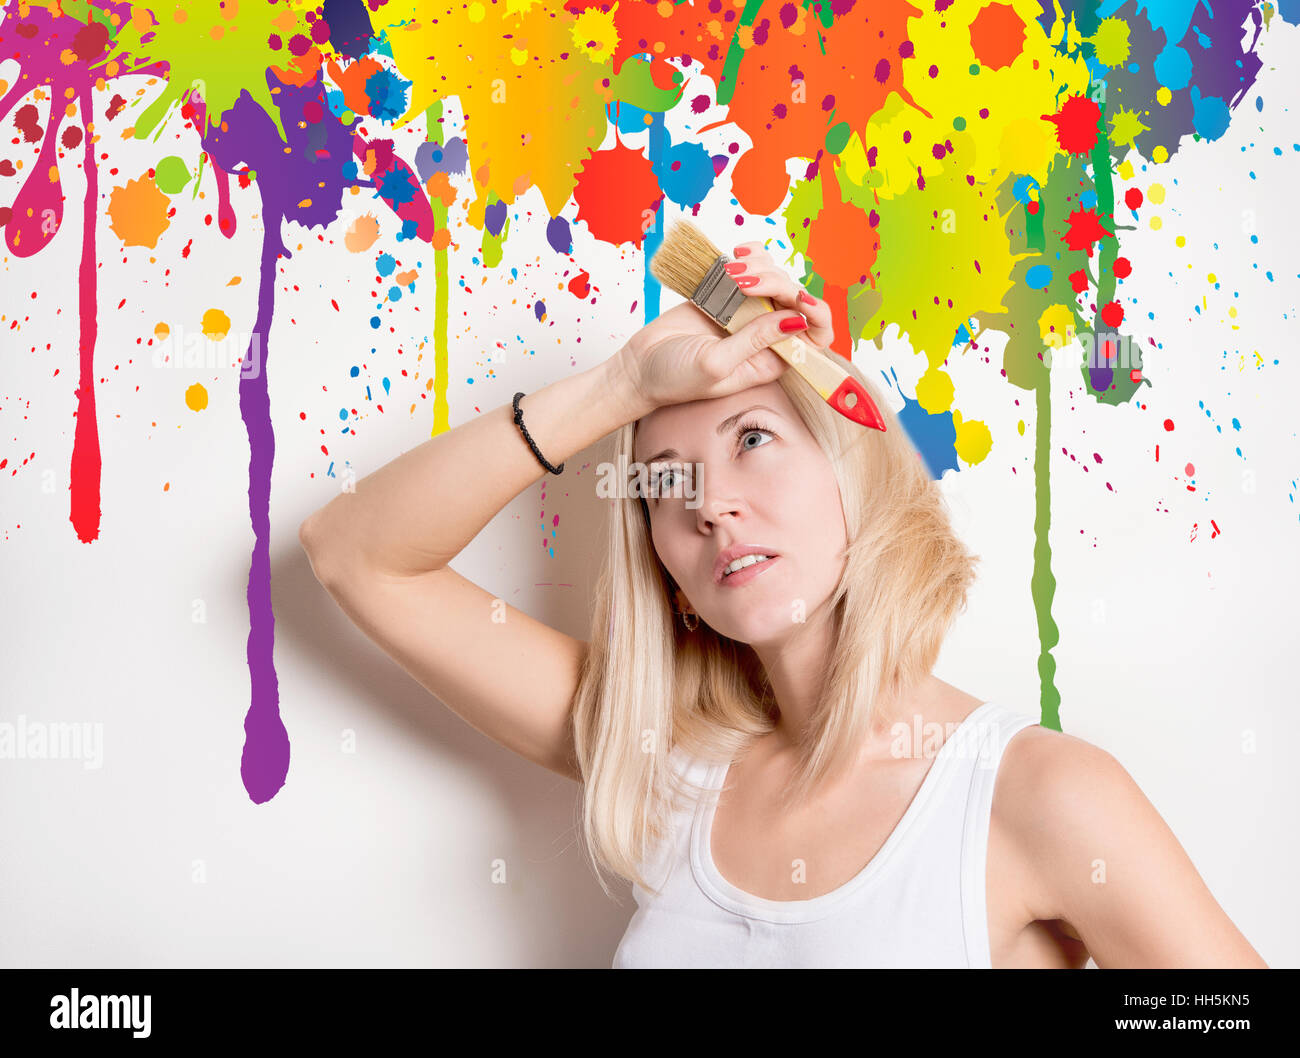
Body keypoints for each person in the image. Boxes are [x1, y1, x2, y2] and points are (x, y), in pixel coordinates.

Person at [298, 243, 1268, 970]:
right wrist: (620, 386)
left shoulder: (1034, 793)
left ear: (854, 468)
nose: (707, 501)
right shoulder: (659, 757)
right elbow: (356, 553)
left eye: (753, 438)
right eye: (667, 481)